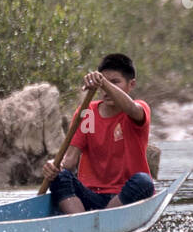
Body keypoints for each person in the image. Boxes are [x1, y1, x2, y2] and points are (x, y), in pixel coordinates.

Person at [41, 53, 154, 214]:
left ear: (131, 85)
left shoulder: (137, 109)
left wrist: (103, 82)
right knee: (60, 176)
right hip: (90, 196)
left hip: (125, 198)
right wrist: (54, 166)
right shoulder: (88, 113)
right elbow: (70, 160)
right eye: (104, 84)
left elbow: (131, 109)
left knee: (144, 182)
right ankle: (82, 223)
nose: (106, 90)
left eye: (115, 82)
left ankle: (104, 220)